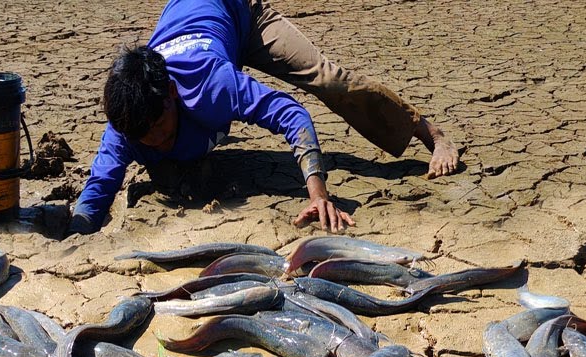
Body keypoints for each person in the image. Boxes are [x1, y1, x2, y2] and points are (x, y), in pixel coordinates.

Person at [67, 0, 459, 236]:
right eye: (143, 136)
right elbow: (101, 182)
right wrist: (80, 225)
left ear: (172, 93)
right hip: (195, 21)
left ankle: (430, 132)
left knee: (328, 80)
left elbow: (292, 114)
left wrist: (318, 194)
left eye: (158, 128)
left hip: (242, 15)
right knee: (169, 165)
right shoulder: (127, 119)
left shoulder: (212, 86)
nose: (153, 139)